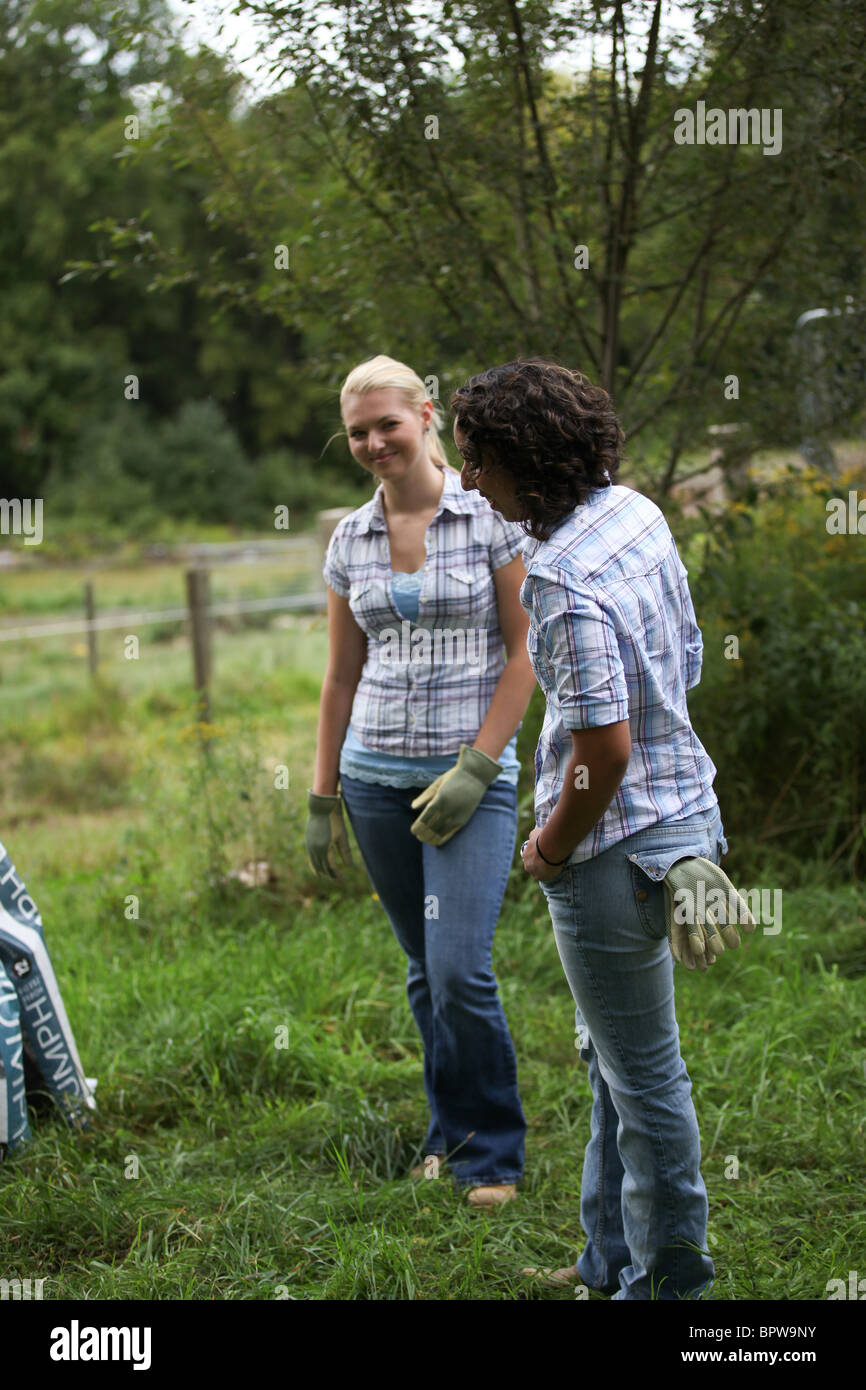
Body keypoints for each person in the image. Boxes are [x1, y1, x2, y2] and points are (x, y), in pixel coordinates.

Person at [452, 357, 738, 1297]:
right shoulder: (637, 513)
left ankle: (672, 1287)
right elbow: (687, 656)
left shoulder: (562, 577)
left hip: (610, 852)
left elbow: (601, 752)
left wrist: (550, 846)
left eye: (478, 461)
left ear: (522, 460)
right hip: (683, 812)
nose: (467, 482)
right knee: (616, 1061)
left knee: (646, 1078)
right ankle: (607, 1261)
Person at [305, 355, 538, 1207]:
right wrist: (322, 794)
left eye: (387, 425)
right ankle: (449, 1129)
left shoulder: (489, 521)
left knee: (457, 970)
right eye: (358, 432)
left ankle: (493, 1152)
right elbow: (339, 676)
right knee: (420, 965)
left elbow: (527, 653)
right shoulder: (349, 538)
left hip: (468, 783)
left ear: (427, 416)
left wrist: (479, 766)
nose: (373, 443)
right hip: (374, 780)